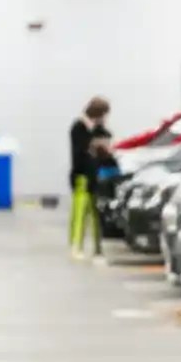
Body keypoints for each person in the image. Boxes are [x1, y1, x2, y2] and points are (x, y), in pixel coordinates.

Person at [68, 97, 111, 260]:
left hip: (94, 176)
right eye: (103, 115)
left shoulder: (97, 128)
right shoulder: (79, 127)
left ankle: (97, 248)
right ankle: (75, 246)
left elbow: (107, 136)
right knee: (79, 214)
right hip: (81, 176)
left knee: (95, 215)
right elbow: (80, 153)